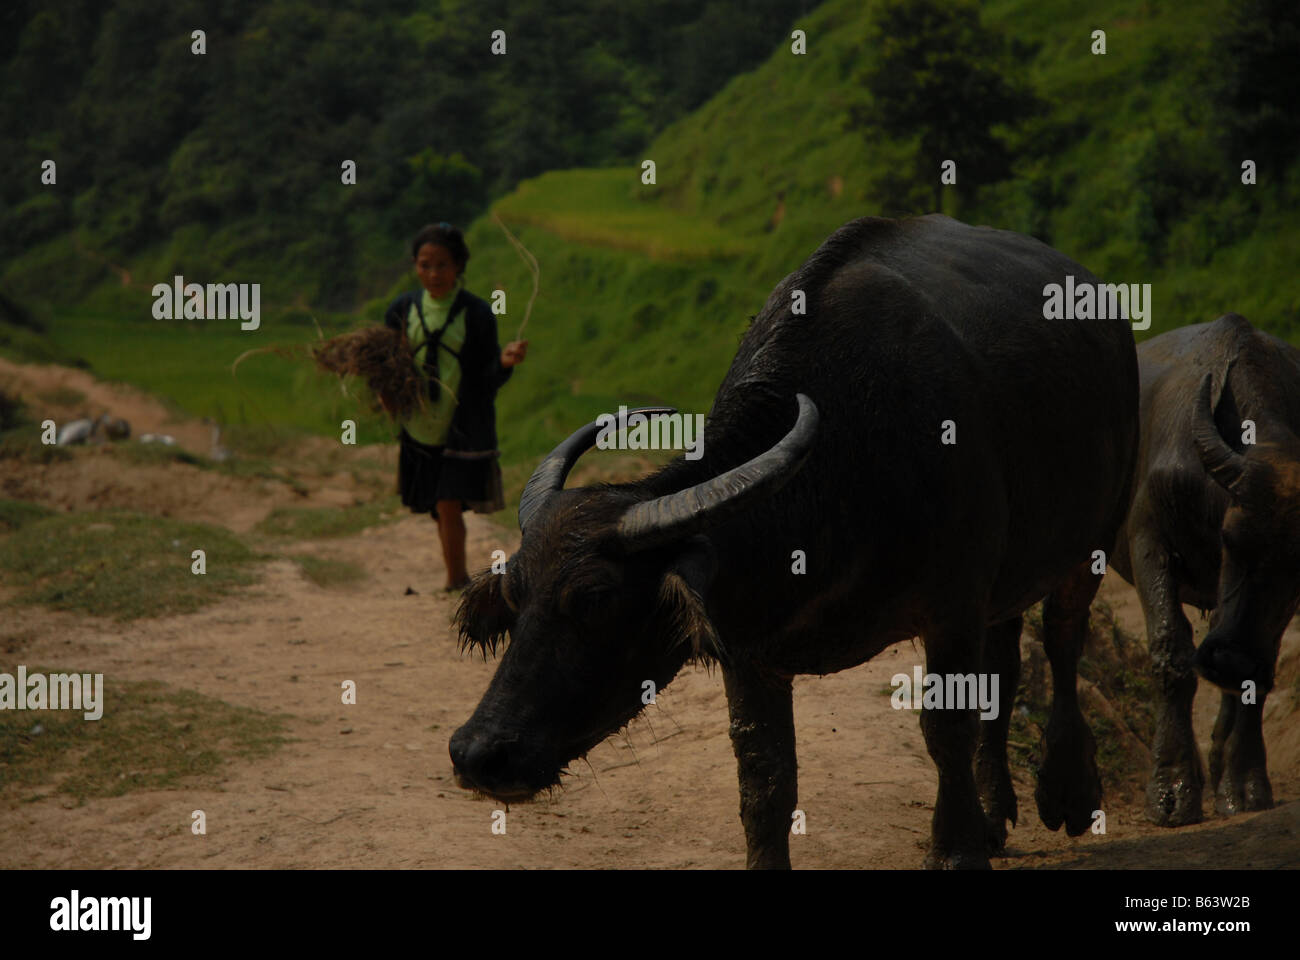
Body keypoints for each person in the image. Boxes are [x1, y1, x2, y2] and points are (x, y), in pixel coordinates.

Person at [381, 222, 528, 590]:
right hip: (418, 426)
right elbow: (388, 363)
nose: (433, 274)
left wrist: (505, 362)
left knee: (447, 503)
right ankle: (455, 573)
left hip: (459, 426)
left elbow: (486, 375)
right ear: (415, 265)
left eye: (442, 265)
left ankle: (456, 580)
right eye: (425, 264)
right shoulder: (401, 309)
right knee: (438, 507)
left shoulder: (476, 314)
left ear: (459, 266)